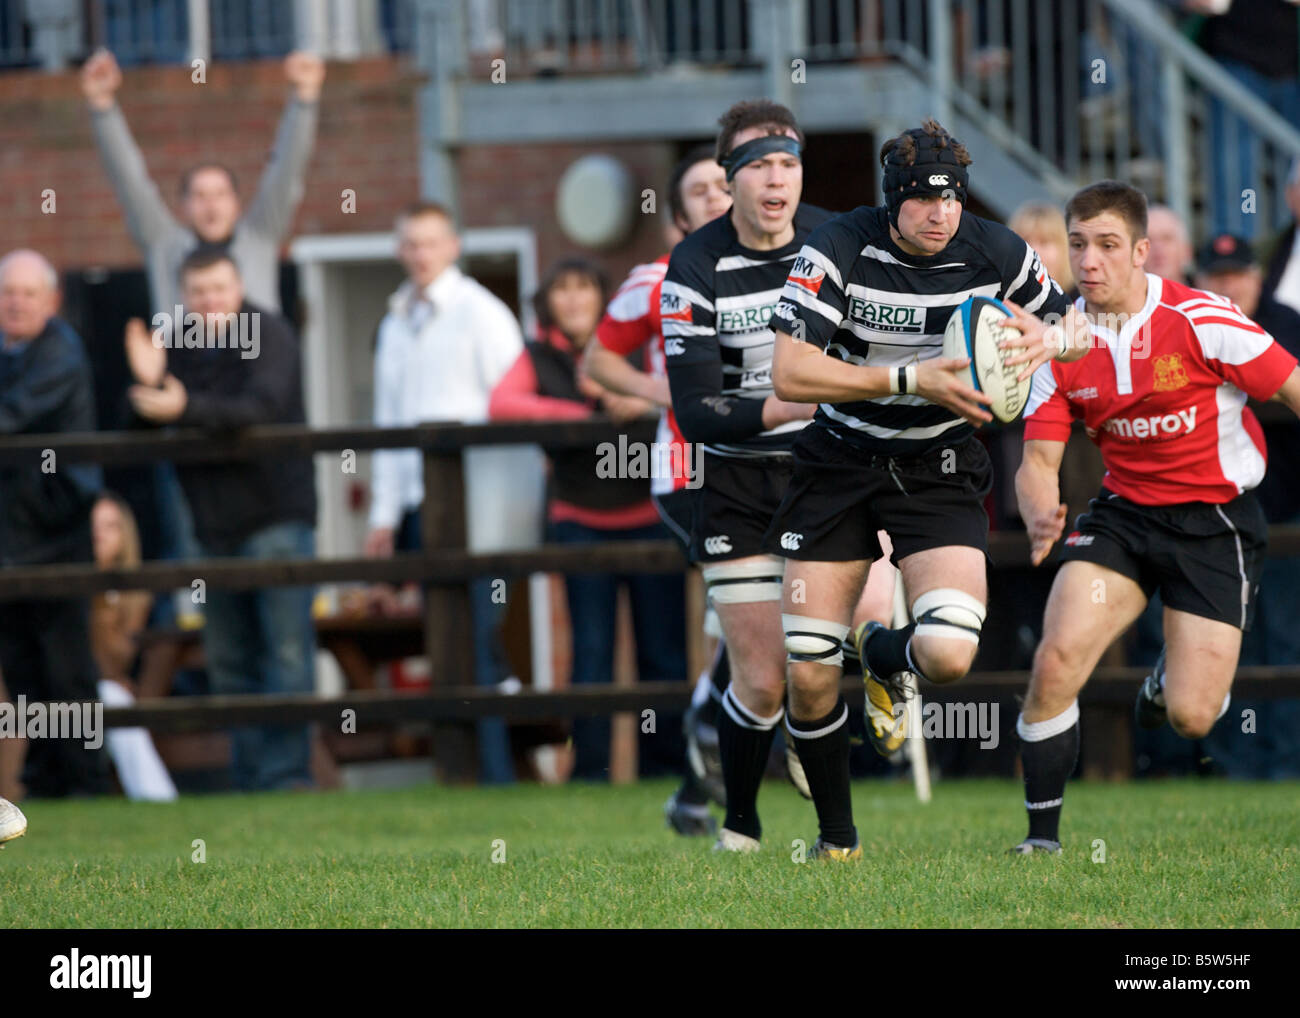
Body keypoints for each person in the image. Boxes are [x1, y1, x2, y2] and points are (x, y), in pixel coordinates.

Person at [767, 119, 1089, 859]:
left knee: (946, 654)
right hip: (839, 460)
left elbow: (1072, 324)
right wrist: (907, 378)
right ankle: (837, 841)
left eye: (951, 199)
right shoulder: (841, 247)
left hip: (937, 466)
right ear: (894, 202)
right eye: (923, 201)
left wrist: (1052, 340)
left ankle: (882, 655)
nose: (941, 214)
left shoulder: (996, 249)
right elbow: (789, 373)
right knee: (811, 670)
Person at [1011, 181, 1300, 853]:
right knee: (1056, 659)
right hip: (1124, 516)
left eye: (1108, 246)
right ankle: (1041, 839)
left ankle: (1170, 679)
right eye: (1078, 245)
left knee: (1193, 717)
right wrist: (1039, 510)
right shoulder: (1061, 345)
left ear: (1143, 252)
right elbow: (1037, 461)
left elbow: (1292, 385)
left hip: (1215, 520)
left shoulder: (1206, 320)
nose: (1089, 262)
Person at [662, 98, 844, 854]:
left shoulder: (839, 242)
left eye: (789, 163)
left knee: (833, 655)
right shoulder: (695, 264)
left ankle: (830, 788)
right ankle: (739, 824)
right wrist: (791, 398)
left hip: (832, 472)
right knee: (763, 679)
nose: (777, 178)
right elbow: (699, 412)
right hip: (736, 481)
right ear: (728, 177)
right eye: (760, 164)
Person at [490, 257, 689, 783]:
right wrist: (585, 418)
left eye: (584, 288)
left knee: (663, 653)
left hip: (651, 515)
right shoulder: (537, 356)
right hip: (579, 521)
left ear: (604, 298)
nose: (575, 299)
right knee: (591, 654)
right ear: (547, 302)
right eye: (562, 289)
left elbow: (681, 392)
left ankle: (664, 769)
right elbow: (502, 404)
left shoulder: (637, 342)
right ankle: (591, 772)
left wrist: (636, 398)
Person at [126, 250, 318, 792]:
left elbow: (256, 409)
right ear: (185, 294)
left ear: (239, 287)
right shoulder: (177, 342)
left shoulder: (271, 333)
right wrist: (148, 380)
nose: (210, 300)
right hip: (210, 529)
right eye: (199, 290)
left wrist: (180, 405)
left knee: (285, 655)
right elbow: (136, 423)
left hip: (277, 518)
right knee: (230, 660)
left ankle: (287, 779)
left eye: (219, 288)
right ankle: (251, 778)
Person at [583, 145, 733, 830]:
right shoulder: (655, 279)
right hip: (692, 473)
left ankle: (697, 782)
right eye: (698, 189)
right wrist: (661, 393)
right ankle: (714, 771)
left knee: (758, 627)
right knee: (747, 617)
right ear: (677, 214)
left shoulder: (788, 274)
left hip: (777, 465)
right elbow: (598, 361)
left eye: (722, 184)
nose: (713, 195)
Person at [364, 201, 524, 785]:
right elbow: (386, 424)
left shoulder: (483, 315)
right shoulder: (394, 321)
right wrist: (383, 514)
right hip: (415, 504)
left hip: (479, 501)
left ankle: (496, 774)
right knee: (447, 640)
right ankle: (463, 770)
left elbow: (512, 411)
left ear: (453, 245)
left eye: (430, 242)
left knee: (477, 635)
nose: (420, 254)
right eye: (410, 243)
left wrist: (508, 512)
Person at [80, 47, 324, 315]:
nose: (211, 205)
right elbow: (128, 180)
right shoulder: (165, 246)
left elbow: (287, 171)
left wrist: (304, 99)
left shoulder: (260, 236)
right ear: (183, 205)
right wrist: (102, 106)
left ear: (236, 204)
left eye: (220, 194)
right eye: (200, 196)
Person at [0, 249, 111, 799]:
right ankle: (45, 779)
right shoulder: (9, 352)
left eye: (27, 292)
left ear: (52, 301)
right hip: (10, 539)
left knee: (67, 668)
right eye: (7, 292)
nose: (15, 302)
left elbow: (13, 415)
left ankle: (86, 781)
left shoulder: (58, 353)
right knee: (22, 669)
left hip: (56, 533)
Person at [1193, 233, 1300, 777]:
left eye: (1238, 275)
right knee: (1225, 639)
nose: (1229, 286)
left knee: (1283, 637)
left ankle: (1283, 760)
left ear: (1257, 277)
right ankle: (1232, 762)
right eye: (1218, 277)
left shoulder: (1289, 323)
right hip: (1216, 512)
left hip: (1281, 509)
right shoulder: (1194, 324)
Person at [90, 493, 178, 801]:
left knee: (115, 699)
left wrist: (101, 601)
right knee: (115, 698)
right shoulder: (62, 588)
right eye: (94, 526)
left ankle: (156, 796)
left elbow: (115, 661)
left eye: (111, 526)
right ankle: (157, 796)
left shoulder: (134, 596)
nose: (100, 535)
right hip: (59, 702)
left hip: (109, 696)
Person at [1144, 204, 1194, 285]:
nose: (1157, 247)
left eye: (1166, 238)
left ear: (1187, 251)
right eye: (1148, 240)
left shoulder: (1207, 296)